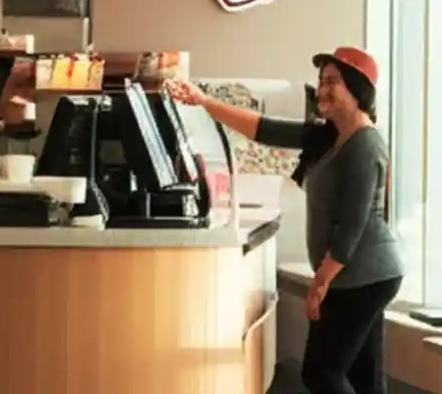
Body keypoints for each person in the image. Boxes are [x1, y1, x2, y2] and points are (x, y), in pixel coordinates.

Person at [165, 46, 404, 394]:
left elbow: (352, 226)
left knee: (321, 373)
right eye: (321, 81)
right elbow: (262, 129)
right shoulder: (329, 136)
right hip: (358, 274)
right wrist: (204, 102)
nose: (322, 90)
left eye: (333, 82)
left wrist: (320, 282)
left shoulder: (365, 146)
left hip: (363, 274)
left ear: (358, 89)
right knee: (363, 379)